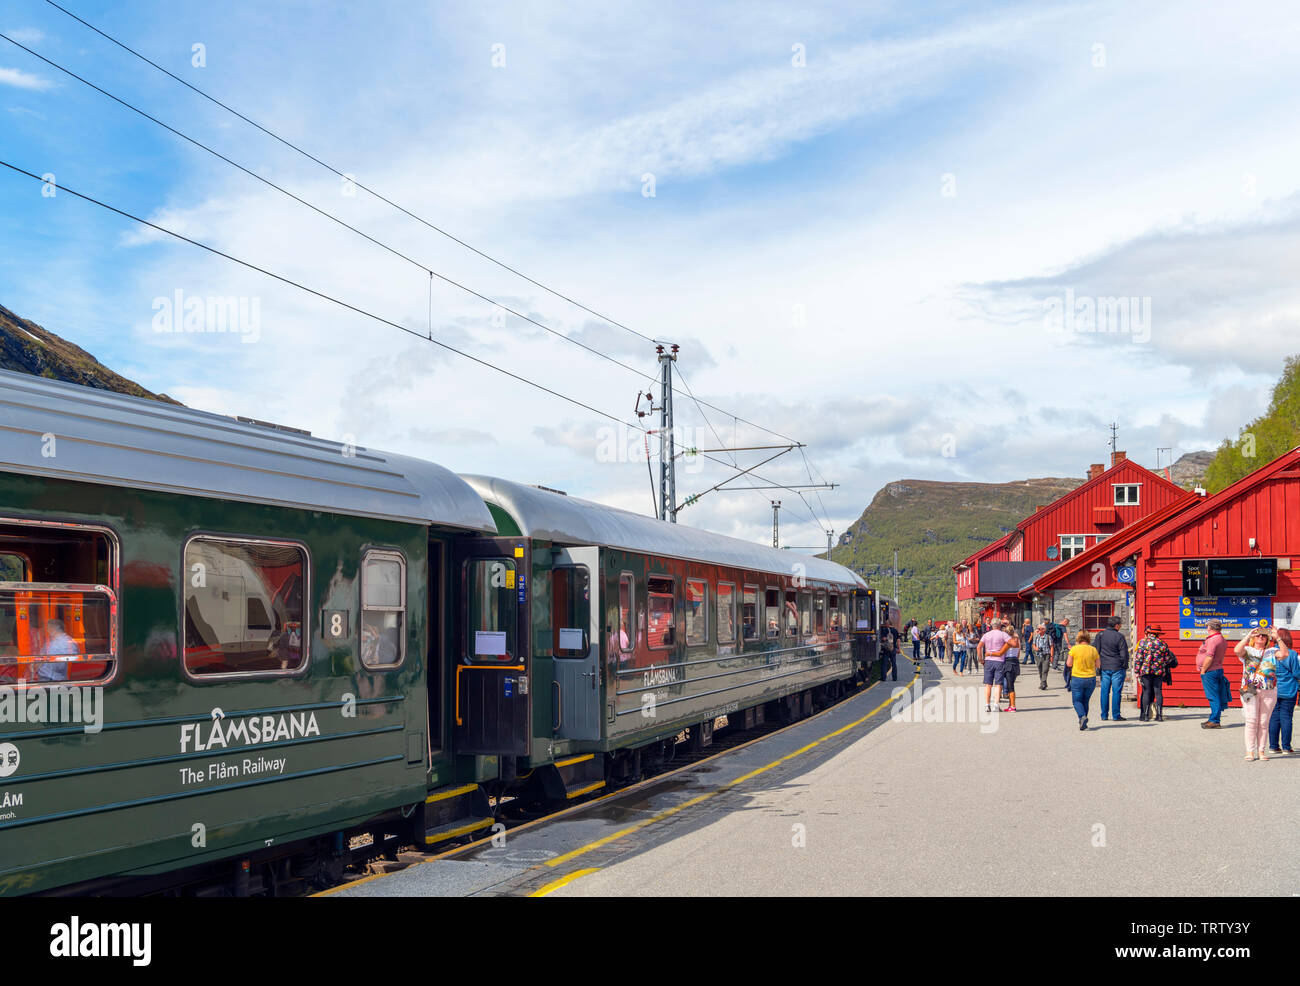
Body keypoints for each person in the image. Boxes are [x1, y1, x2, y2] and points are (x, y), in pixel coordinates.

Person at [1235, 628, 1279, 761]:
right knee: (1251, 720)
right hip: (1250, 689)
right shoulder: (1248, 650)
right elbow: (1236, 650)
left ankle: (1261, 751)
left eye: (1264, 636)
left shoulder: (1272, 651)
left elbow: (1284, 654)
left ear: (1267, 639)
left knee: (1264, 722)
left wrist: (1278, 638)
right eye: (1259, 635)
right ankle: (1250, 751)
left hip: (1269, 689)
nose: (1261, 637)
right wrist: (1248, 636)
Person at [1266, 627, 1299, 755]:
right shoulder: (1292, 654)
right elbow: (1296, 673)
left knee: (1274, 717)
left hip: (1273, 688)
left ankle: (1273, 746)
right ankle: (1286, 747)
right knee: (1286, 717)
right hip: (1289, 689)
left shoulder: (1270, 652)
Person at [1133, 625, 1174, 722]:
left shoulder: (1143, 643)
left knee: (1146, 691)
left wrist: (1137, 671)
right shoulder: (1163, 644)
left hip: (1145, 671)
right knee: (1158, 692)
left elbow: (1139, 658)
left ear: (1149, 632)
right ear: (1158, 633)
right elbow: (1168, 659)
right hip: (1158, 671)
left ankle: (1145, 716)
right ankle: (1159, 716)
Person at [1196, 620, 1232, 729]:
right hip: (1217, 669)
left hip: (1210, 671)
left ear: (1210, 628)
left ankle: (1215, 720)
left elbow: (1209, 656)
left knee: (1213, 696)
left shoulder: (1212, 640)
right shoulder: (1222, 639)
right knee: (1216, 695)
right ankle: (1213, 718)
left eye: (1207, 627)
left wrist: (1203, 670)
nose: (1206, 629)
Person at [1095, 616, 1130, 722]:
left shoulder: (1100, 635)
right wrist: (1124, 666)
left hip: (1104, 667)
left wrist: (1097, 666)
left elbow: (1096, 651)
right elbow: (1124, 654)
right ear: (1116, 625)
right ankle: (1116, 715)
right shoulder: (1119, 636)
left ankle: (1104, 715)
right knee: (1116, 692)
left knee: (1104, 692)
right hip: (1117, 667)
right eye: (1120, 625)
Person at [1067, 630, 1100, 730]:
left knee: (1077, 701)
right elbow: (1098, 665)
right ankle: (1083, 722)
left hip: (1078, 677)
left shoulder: (1074, 649)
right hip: (1090, 678)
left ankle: (1082, 716)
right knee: (1085, 700)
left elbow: (1069, 664)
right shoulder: (1093, 649)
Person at [978, 620, 1010, 713]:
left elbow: (979, 647)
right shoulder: (1003, 634)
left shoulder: (986, 635)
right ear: (1000, 625)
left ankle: (987, 705)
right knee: (998, 684)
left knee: (988, 684)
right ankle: (996, 705)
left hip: (988, 660)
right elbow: (1012, 643)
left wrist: (981, 659)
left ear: (991, 625)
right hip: (999, 660)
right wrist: (1002, 651)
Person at [36, 617, 79, 682]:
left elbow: (48, 667)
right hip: (65, 679)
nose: (46, 630)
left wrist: (38, 666)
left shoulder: (54, 645)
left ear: (52, 629)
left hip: (52, 680)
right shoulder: (71, 641)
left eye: (47, 627)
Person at [1000, 626, 1021, 711]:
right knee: (1010, 685)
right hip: (1015, 662)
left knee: (1010, 686)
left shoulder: (1008, 642)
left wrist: (990, 654)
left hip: (1009, 662)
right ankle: (1010, 705)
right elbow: (1018, 653)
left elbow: (1001, 653)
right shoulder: (1017, 641)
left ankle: (1013, 706)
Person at [1031, 622, 1052, 690]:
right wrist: (1035, 648)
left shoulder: (1048, 637)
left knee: (1045, 669)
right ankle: (1043, 683)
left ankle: (1043, 683)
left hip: (1046, 655)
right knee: (1040, 670)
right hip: (1038, 656)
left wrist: (1051, 656)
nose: (1038, 630)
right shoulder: (1036, 636)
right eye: (1038, 629)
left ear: (1044, 630)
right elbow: (1033, 644)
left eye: (1040, 629)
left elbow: (1051, 646)